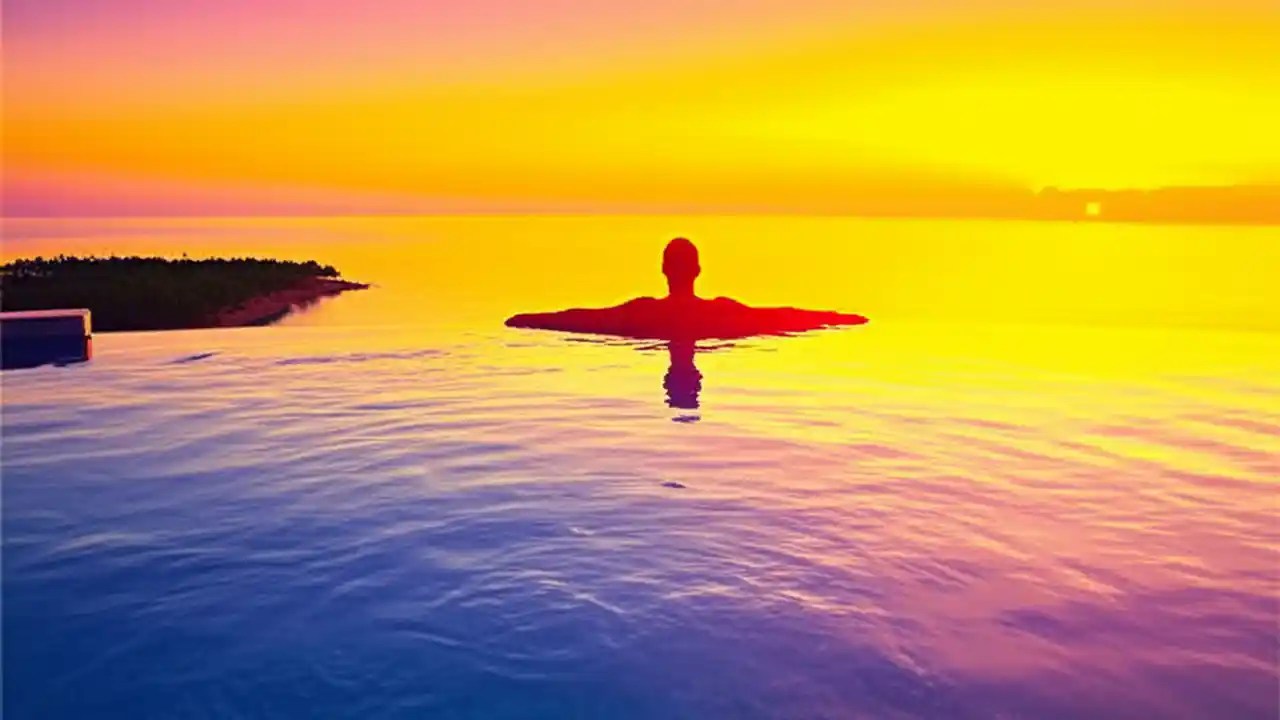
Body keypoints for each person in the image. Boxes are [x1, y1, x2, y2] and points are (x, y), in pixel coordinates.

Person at [505, 237, 867, 341]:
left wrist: (529, 319)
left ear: (663, 270)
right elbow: (781, 317)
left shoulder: (641, 314)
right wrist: (838, 318)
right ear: (698, 270)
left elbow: (584, 319)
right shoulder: (722, 316)